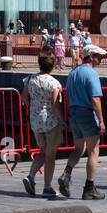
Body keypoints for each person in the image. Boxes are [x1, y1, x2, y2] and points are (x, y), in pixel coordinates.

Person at [58, 45, 107, 200]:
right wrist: (101, 120)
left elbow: (67, 95)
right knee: (93, 150)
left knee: (79, 148)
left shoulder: (73, 73)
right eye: (99, 56)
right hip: (86, 114)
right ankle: (89, 188)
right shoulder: (91, 73)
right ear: (91, 56)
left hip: (73, 113)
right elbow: (95, 98)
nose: (101, 58)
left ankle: (66, 173)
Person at [22, 53, 64, 198]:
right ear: (52, 66)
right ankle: (47, 187)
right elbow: (55, 103)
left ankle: (31, 176)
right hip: (51, 121)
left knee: (43, 151)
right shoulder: (54, 83)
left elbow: (23, 98)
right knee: (50, 155)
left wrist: (33, 107)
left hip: (35, 120)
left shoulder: (29, 79)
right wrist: (63, 120)